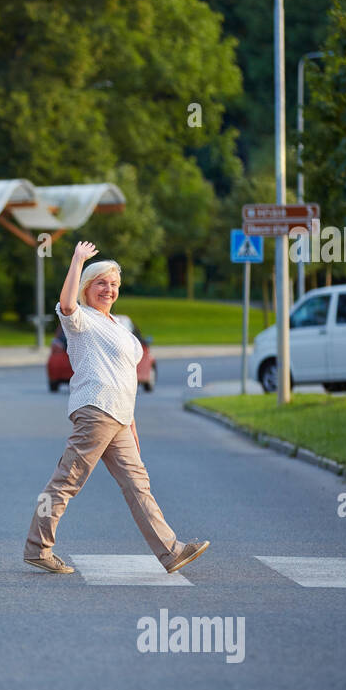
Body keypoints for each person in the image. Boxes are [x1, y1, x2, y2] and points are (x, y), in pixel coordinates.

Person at [23, 240, 208, 574]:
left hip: (120, 415)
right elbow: (66, 303)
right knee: (66, 482)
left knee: (139, 484)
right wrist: (78, 259)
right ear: (87, 287)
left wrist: (132, 424)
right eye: (101, 284)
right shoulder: (81, 320)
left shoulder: (118, 327)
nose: (108, 290)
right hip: (95, 410)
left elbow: (127, 377)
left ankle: (171, 551)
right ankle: (38, 549)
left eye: (114, 285)